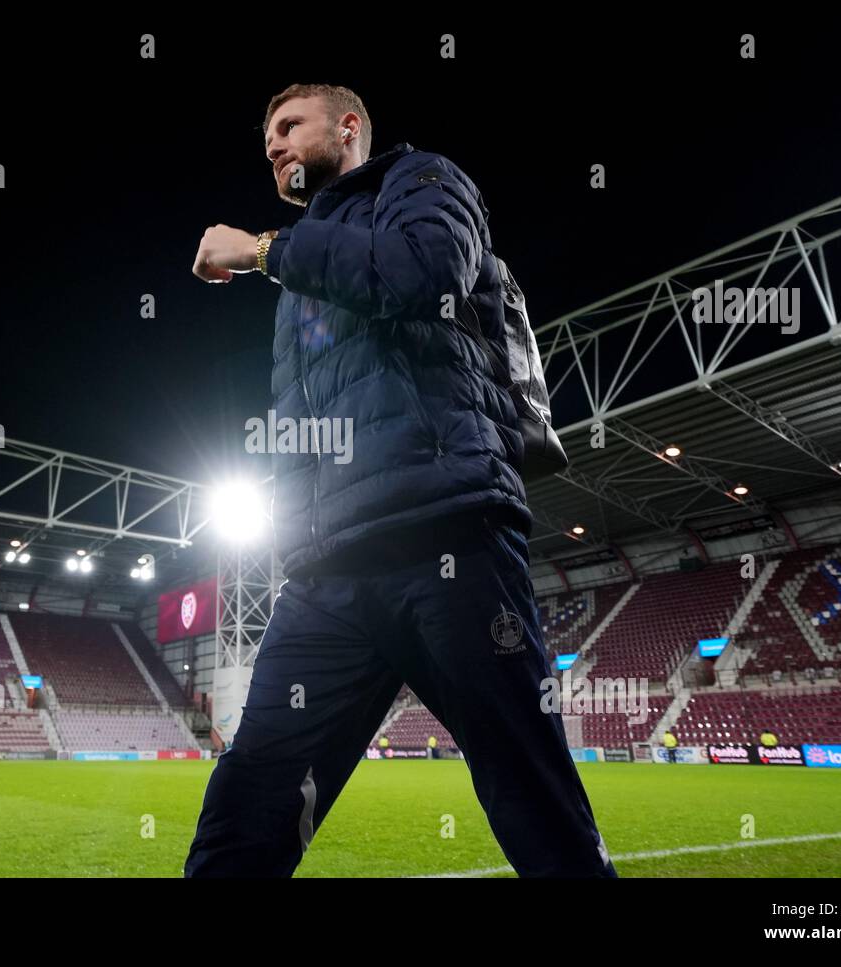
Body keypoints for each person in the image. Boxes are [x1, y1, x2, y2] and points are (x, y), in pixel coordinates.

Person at [184, 83, 614, 878]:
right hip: (325, 574)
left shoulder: (418, 180)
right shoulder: (308, 259)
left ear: (347, 128)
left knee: (533, 797)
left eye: (288, 127)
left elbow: (425, 272)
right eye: (266, 140)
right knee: (248, 804)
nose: (274, 147)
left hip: (444, 537)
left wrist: (265, 250)